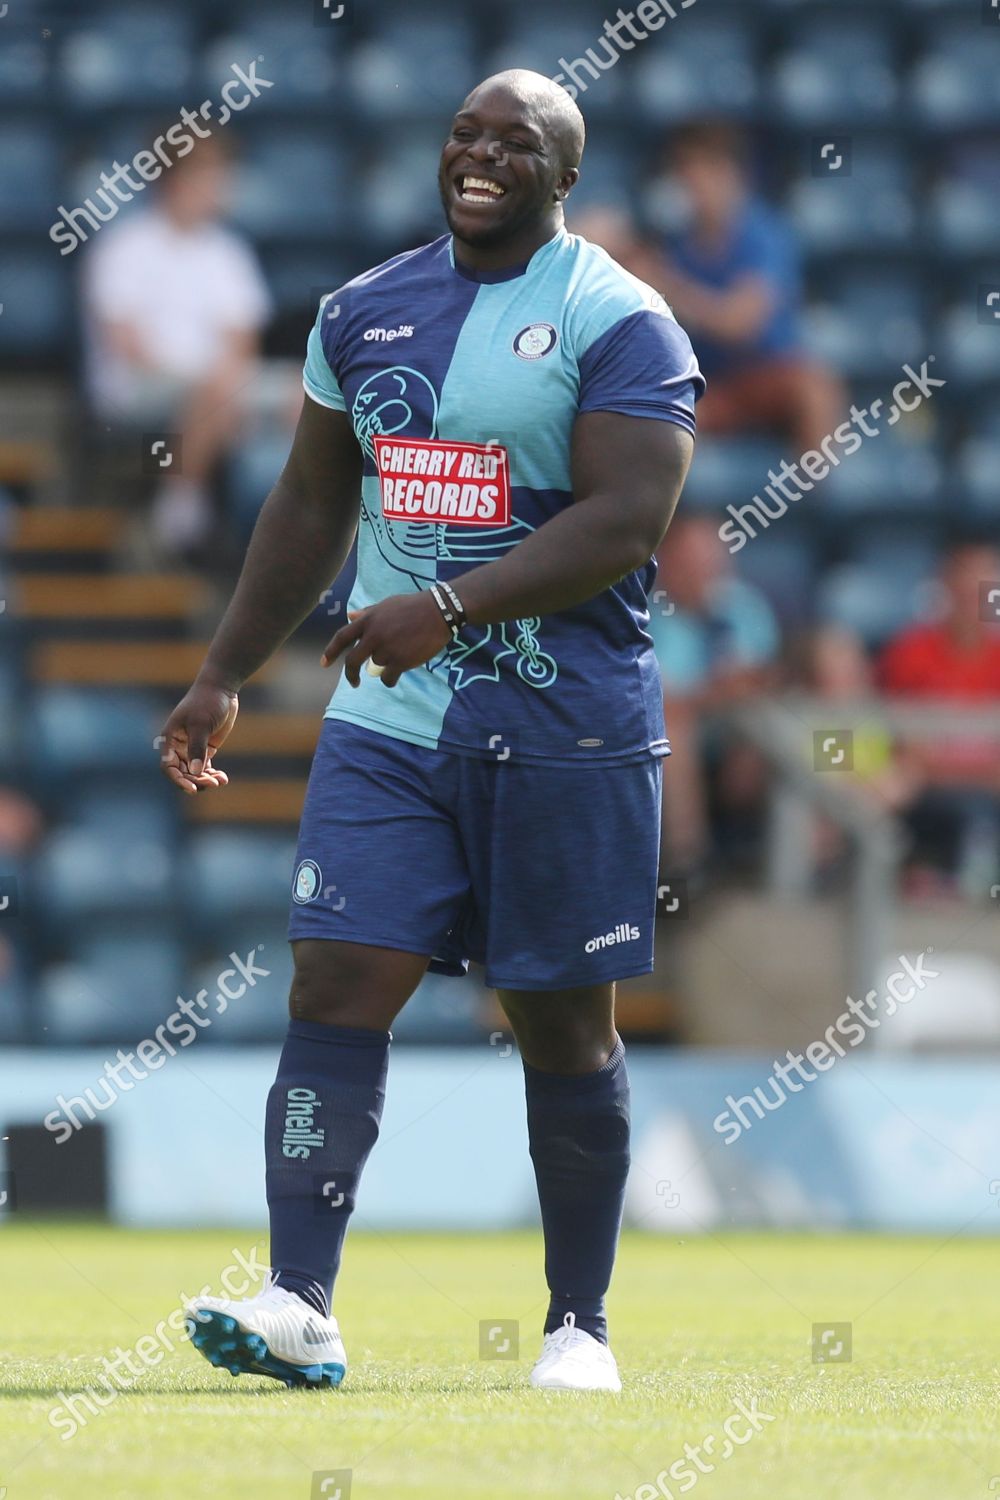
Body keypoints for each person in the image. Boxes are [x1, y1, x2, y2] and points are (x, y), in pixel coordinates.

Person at [160, 69, 703, 1394]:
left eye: (516, 143)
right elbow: (307, 498)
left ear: (561, 176)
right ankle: (299, 1303)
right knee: (336, 982)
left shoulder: (622, 322)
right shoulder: (361, 311)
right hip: (390, 724)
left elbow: (627, 521)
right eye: (465, 133)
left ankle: (580, 1325)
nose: (481, 155)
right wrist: (226, 669)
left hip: (567, 729)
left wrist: (448, 605)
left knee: (564, 1026)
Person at [83, 133, 271, 555]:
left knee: (303, 393)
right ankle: (179, 505)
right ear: (175, 181)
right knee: (220, 389)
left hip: (218, 385)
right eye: (208, 176)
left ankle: (287, 529)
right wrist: (210, 379)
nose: (219, 187)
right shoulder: (123, 246)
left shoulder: (228, 252)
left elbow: (242, 341)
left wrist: (219, 379)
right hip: (138, 385)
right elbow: (126, 344)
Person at [642, 120, 843, 455]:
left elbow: (741, 324)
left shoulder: (764, 234)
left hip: (763, 379)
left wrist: (668, 285)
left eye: (706, 169)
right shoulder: (668, 242)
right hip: (700, 386)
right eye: (685, 170)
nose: (695, 182)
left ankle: (812, 502)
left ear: (732, 174)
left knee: (815, 388)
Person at [647, 514, 779, 876]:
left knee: (775, 719)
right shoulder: (646, 615)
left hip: (741, 727)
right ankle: (689, 862)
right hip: (680, 732)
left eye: (711, 563)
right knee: (671, 727)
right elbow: (656, 699)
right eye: (691, 563)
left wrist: (748, 686)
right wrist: (713, 693)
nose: (704, 574)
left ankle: (798, 856)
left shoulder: (744, 607)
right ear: (666, 561)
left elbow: (767, 674)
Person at [878, 539, 1000, 893]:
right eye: (964, 582)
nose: (973, 594)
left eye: (984, 581)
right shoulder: (910, 652)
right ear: (945, 584)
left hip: (984, 779)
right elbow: (907, 749)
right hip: (923, 778)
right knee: (887, 777)